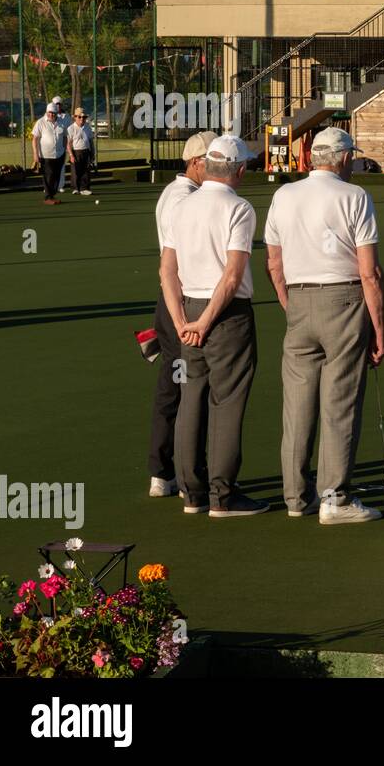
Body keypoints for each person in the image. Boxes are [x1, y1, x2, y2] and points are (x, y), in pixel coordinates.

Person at [265, 128, 384, 525]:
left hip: (299, 301)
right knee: (341, 401)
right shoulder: (354, 196)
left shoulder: (284, 194)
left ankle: (296, 498)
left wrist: (290, 305)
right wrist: (379, 330)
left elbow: (274, 264)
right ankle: (334, 497)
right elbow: (370, 273)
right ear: (343, 158)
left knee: (296, 407)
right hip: (344, 299)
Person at [161, 134, 268, 518]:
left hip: (189, 308)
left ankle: (192, 492)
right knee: (227, 402)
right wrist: (204, 322)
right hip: (226, 315)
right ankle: (222, 496)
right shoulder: (238, 208)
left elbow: (166, 271)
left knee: (192, 396)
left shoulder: (182, 207)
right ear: (239, 170)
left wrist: (181, 321)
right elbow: (231, 275)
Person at [149, 131, 217, 499]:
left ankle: (167, 471)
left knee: (176, 386)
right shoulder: (182, 199)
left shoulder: (181, 194)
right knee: (184, 389)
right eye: (213, 161)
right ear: (195, 163)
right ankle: (174, 472)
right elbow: (174, 262)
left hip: (175, 300)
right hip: (182, 301)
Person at [30, 103, 67, 205]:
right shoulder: (40, 122)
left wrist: (64, 149)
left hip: (59, 155)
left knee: (56, 177)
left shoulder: (61, 122)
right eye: (50, 112)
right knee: (48, 177)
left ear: (57, 113)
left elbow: (65, 136)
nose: (51, 115)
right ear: (46, 112)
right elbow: (34, 139)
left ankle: (52, 195)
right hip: (46, 156)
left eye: (54, 113)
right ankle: (47, 197)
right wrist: (35, 154)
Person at [67, 108, 94, 195]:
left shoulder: (87, 127)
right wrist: (71, 155)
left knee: (86, 170)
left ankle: (84, 188)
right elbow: (68, 143)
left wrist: (93, 153)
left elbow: (90, 141)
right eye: (79, 117)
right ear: (75, 117)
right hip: (75, 152)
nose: (82, 119)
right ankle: (75, 188)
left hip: (86, 151)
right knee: (75, 170)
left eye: (84, 117)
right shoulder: (71, 128)